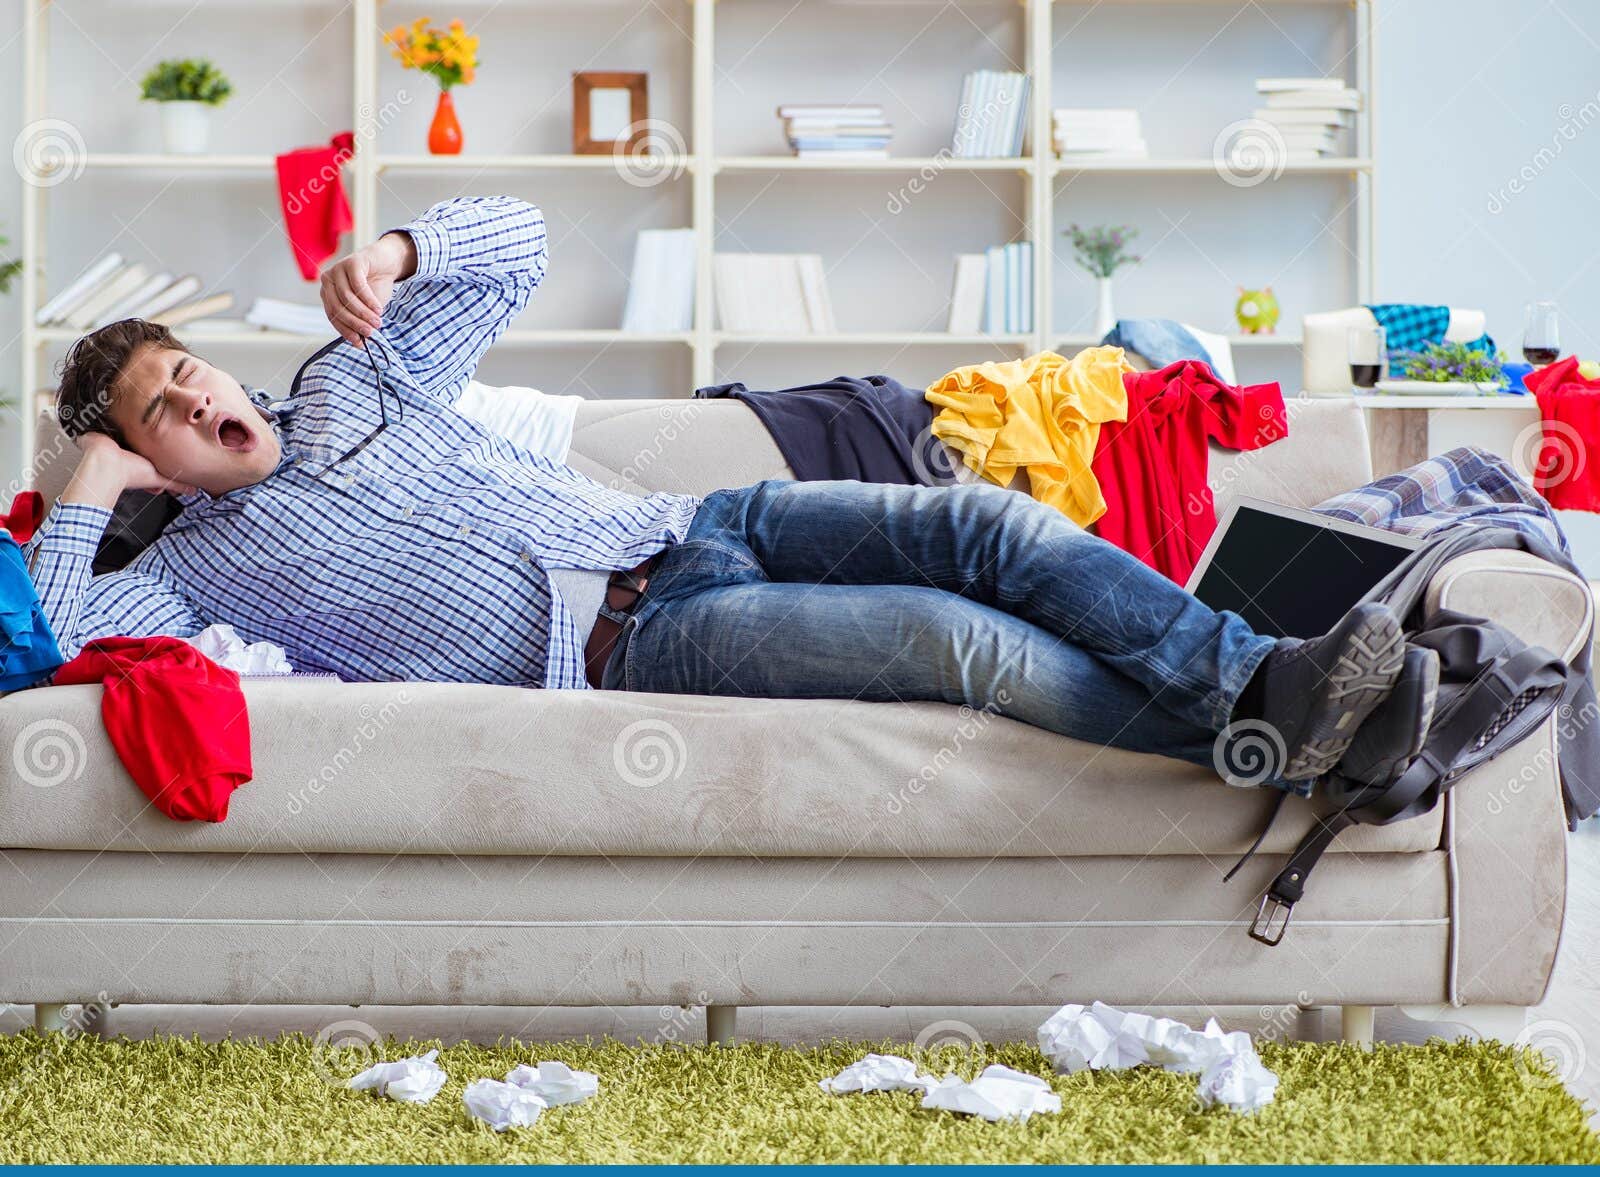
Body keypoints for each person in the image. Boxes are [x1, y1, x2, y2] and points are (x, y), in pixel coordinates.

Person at [28, 195, 1431, 786]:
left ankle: (1270, 684)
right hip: (630, 639)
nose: (205, 396)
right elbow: (42, 650)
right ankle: (1265, 736)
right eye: (164, 408)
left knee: (985, 523)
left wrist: (399, 246)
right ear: (148, 457)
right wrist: (82, 481)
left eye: (193, 368)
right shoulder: (178, 575)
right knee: (960, 646)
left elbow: (517, 246)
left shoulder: (346, 381)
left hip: (701, 527)